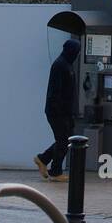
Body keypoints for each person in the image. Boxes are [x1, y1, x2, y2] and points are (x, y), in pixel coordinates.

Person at [34, 38, 80, 182]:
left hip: (65, 111)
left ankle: (43, 159)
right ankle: (55, 171)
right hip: (57, 112)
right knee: (63, 140)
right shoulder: (60, 65)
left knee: (65, 139)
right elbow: (56, 92)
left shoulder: (67, 64)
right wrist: (61, 112)